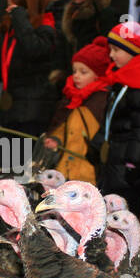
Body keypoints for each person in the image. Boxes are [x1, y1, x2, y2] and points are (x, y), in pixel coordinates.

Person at [91, 20, 140, 211]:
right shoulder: (123, 78)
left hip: (128, 166)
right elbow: (112, 118)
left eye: (116, 49)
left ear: (135, 50)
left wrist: (134, 163)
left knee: (123, 212)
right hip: (116, 158)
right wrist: (97, 143)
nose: (111, 55)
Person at [0, 0, 67, 138]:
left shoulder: (47, 29)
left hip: (33, 111)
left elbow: (34, 49)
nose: (9, 9)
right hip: (10, 109)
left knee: (23, 161)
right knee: (7, 161)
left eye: (13, 5)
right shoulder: (8, 30)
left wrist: (20, 19)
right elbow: (7, 68)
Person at [43, 37, 111, 184]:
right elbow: (62, 128)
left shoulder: (102, 102)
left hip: (88, 175)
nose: (76, 76)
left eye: (83, 72)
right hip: (64, 171)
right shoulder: (70, 98)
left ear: (98, 74)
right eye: (74, 71)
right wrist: (56, 140)